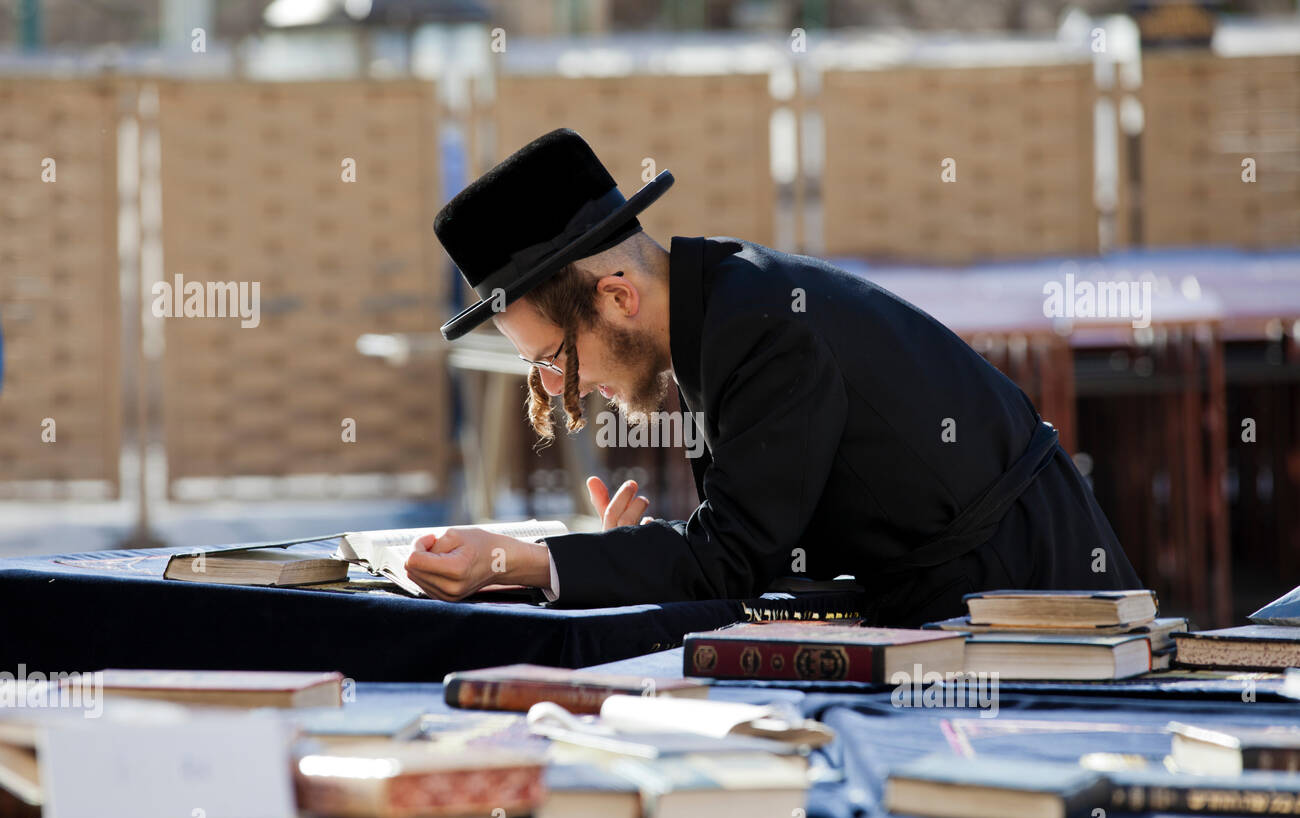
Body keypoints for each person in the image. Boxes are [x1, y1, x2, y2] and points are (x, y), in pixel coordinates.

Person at [408, 128, 1141, 626]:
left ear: (618, 298)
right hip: (972, 592)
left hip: (1036, 595)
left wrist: (525, 562)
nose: (554, 389)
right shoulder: (719, 305)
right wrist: (622, 557)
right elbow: (750, 535)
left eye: (552, 361)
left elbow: (732, 560)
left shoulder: (758, 328)